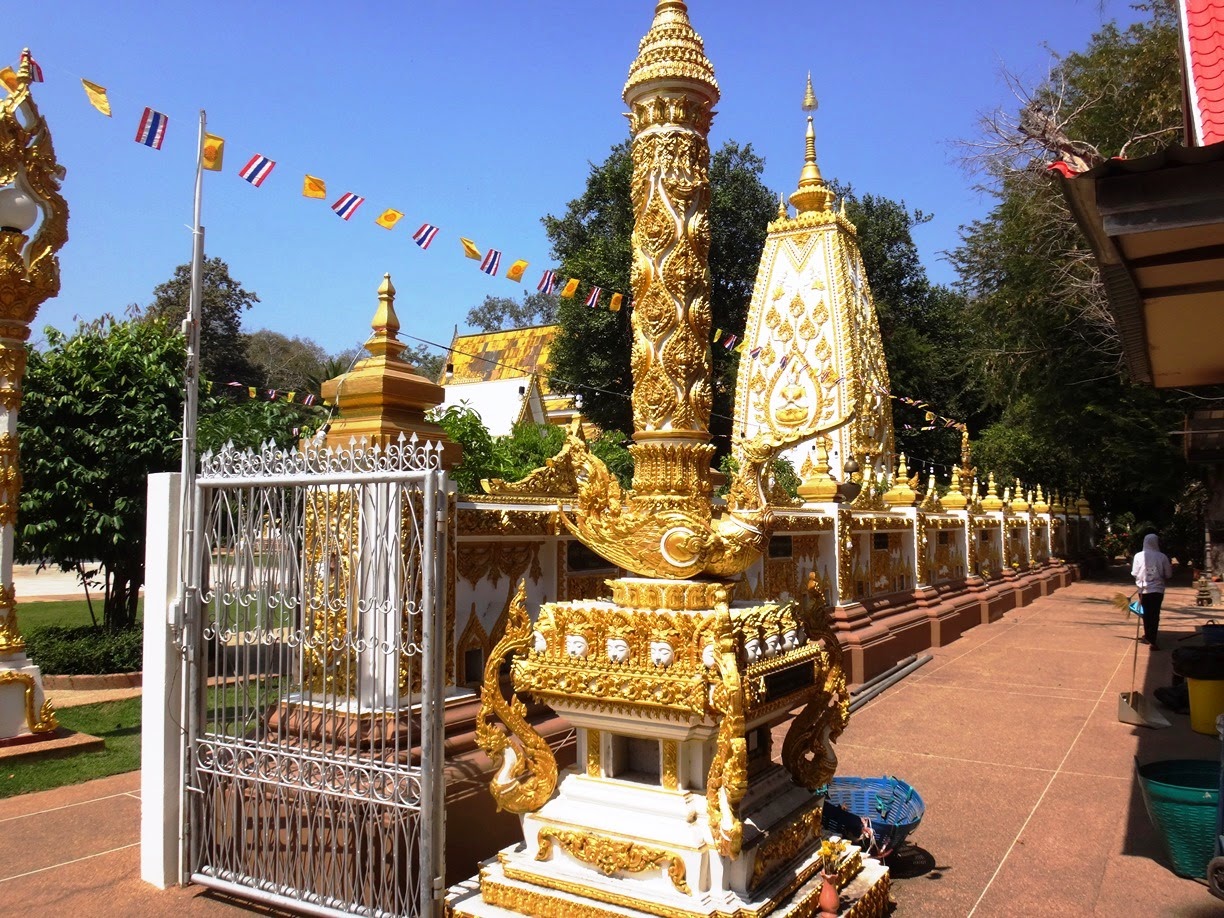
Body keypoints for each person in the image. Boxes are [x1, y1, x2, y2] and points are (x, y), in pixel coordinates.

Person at [1132, 533, 1173, 649]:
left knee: (1146, 613)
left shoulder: (1138, 556)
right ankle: (1151, 638)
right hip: (1157, 590)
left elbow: (1134, 573)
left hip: (1143, 590)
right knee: (1154, 613)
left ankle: (1149, 636)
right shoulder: (1162, 557)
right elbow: (1168, 574)